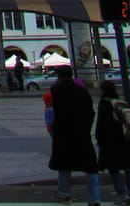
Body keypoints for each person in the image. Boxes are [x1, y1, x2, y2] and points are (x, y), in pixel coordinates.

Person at [48, 66, 101, 206]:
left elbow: (54, 111)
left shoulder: (56, 90)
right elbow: (91, 112)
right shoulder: (82, 91)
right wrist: (86, 127)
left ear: (59, 76)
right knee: (90, 166)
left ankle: (64, 193)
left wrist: (54, 129)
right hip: (81, 133)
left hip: (63, 132)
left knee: (64, 164)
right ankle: (94, 198)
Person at [96, 81, 130, 206]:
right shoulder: (121, 101)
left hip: (113, 141)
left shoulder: (104, 103)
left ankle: (121, 194)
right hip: (129, 139)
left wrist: (99, 139)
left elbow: (102, 124)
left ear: (103, 90)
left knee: (113, 168)